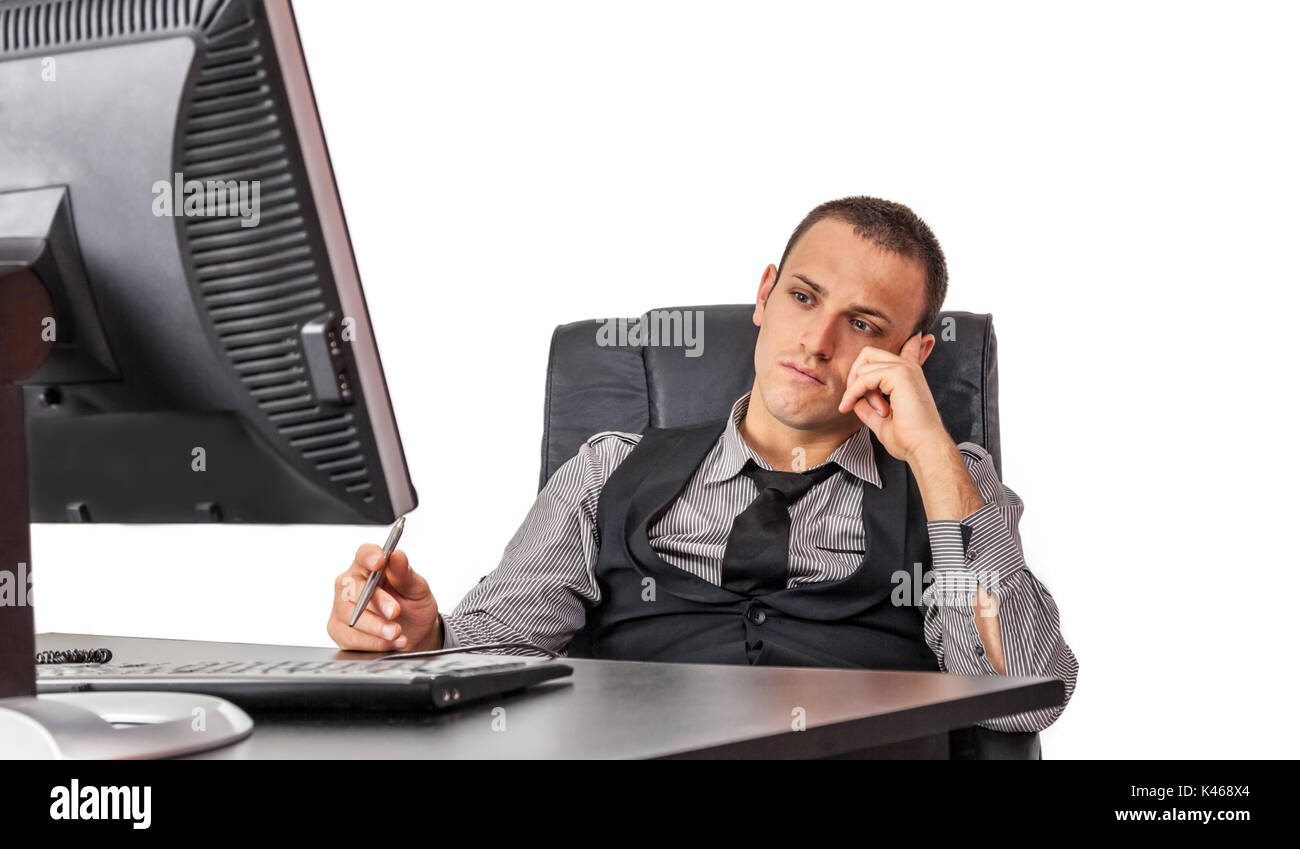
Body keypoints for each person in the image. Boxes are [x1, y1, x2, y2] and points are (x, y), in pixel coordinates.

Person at [327, 195, 1078, 733]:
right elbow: (498, 647)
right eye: (803, 296)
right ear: (764, 295)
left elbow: (1019, 697)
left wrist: (937, 463)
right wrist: (423, 638)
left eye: (862, 323)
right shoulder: (607, 471)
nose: (815, 342)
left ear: (913, 354)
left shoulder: (953, 485)